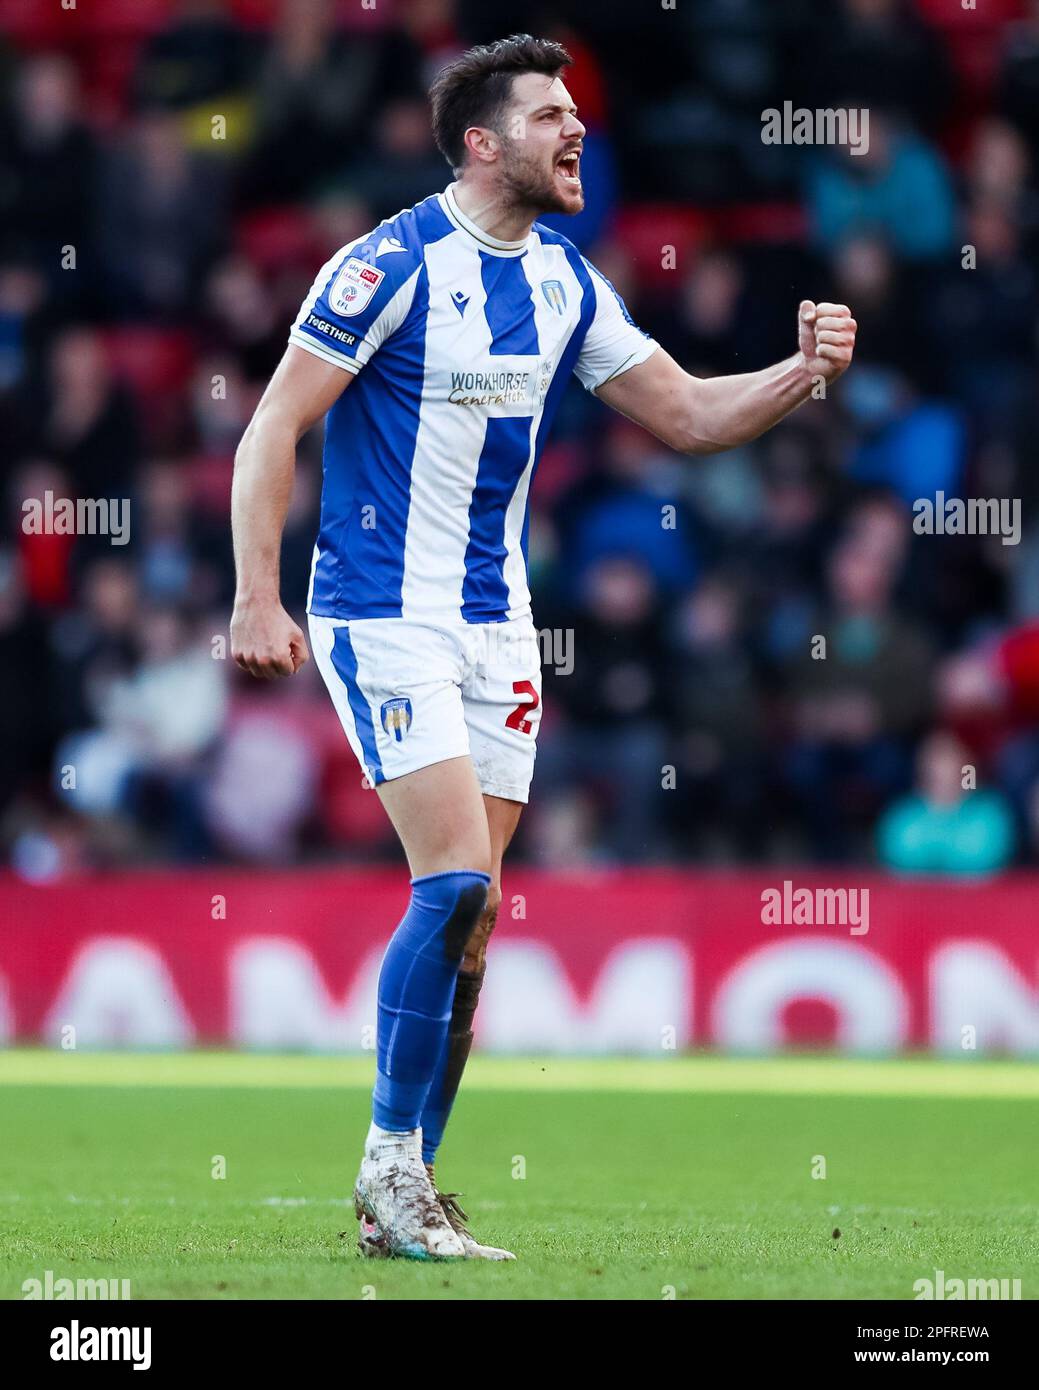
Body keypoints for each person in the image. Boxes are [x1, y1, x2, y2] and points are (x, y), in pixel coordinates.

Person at [229, 34, 857, 1262]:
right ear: (482, 142)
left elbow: (681, 412)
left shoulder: (566, 280)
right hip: (380, 609)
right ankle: (389, 1171)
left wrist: (800, 370)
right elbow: (269, 427)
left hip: (496, 623)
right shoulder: (386, 266)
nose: (578, 132)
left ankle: (401, 1195)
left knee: (475, 926)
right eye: (551, 115)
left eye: (578, 114)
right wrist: (256, 595)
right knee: (453, 880)